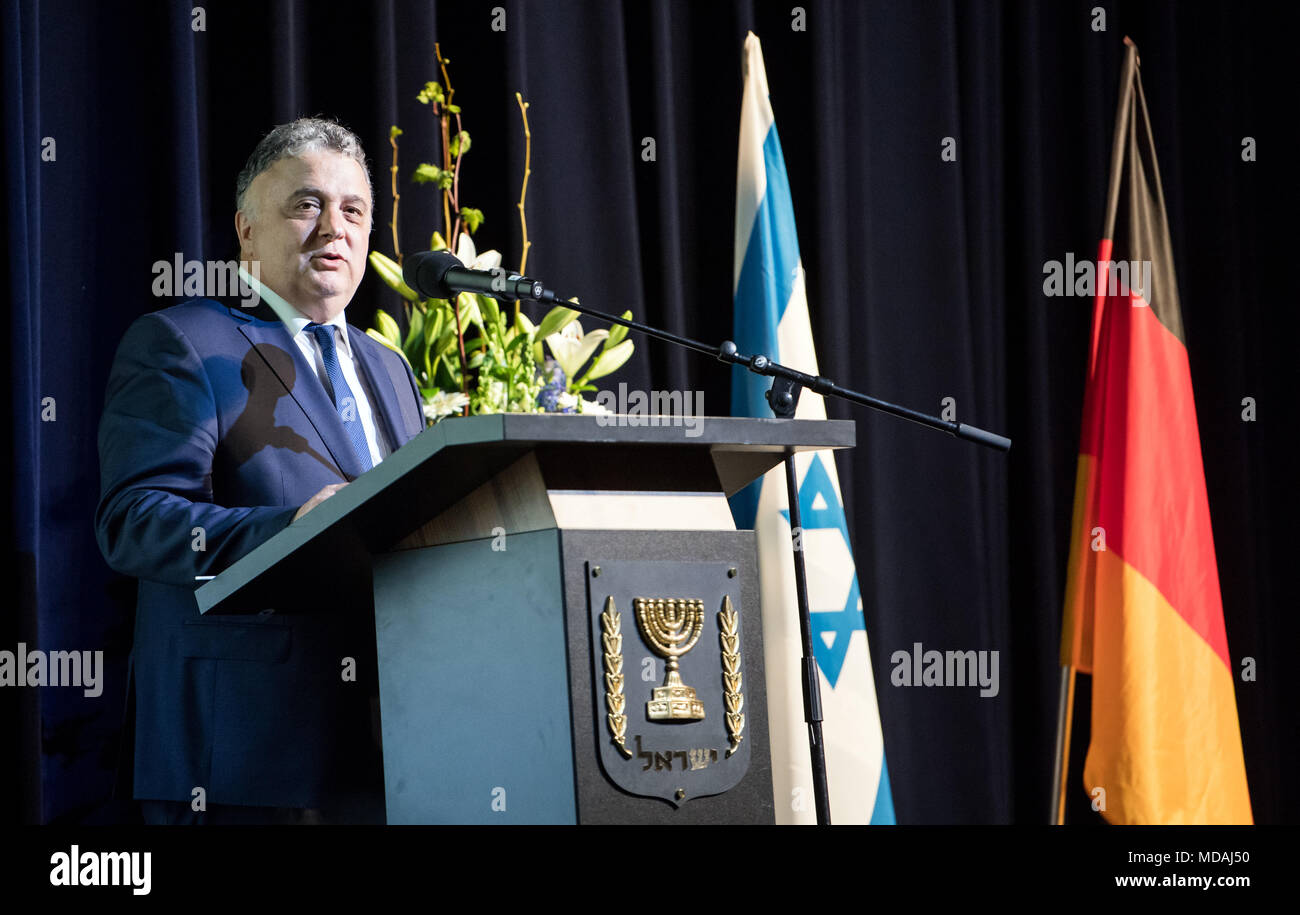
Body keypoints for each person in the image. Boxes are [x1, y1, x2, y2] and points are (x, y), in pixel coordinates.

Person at [95, 117, 425, 824]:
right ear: (246, 231)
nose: (334, 227)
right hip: (242, 757)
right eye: (307, 204)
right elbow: (134, 519)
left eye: (354, 209)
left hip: (392, 746)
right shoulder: (186, 341)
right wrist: (290, 529)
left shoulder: (390, 368)